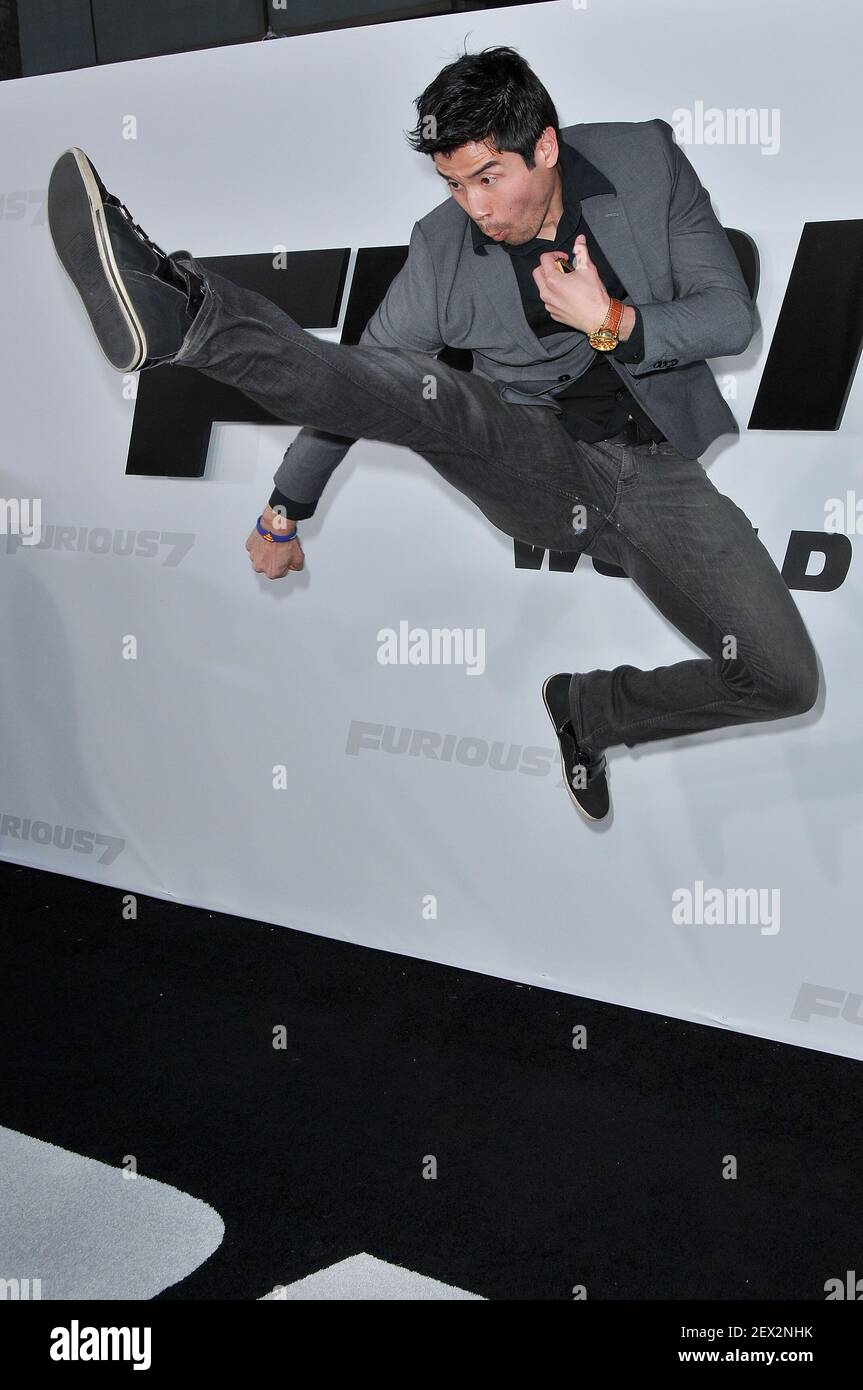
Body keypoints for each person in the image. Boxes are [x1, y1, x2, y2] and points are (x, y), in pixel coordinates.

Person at [46, 44, 818, 824]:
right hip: (538, 456)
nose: (475, 207)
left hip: (656, 473)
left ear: (544, 146)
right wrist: (282, 510)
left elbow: (728, 316)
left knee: (782, 678)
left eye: (489, 178)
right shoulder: (443, 251)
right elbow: (361, 379)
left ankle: (591, 709)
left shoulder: (642, 163)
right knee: (428, 395)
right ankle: (187, 308)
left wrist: (611, 322)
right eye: (454, 184)